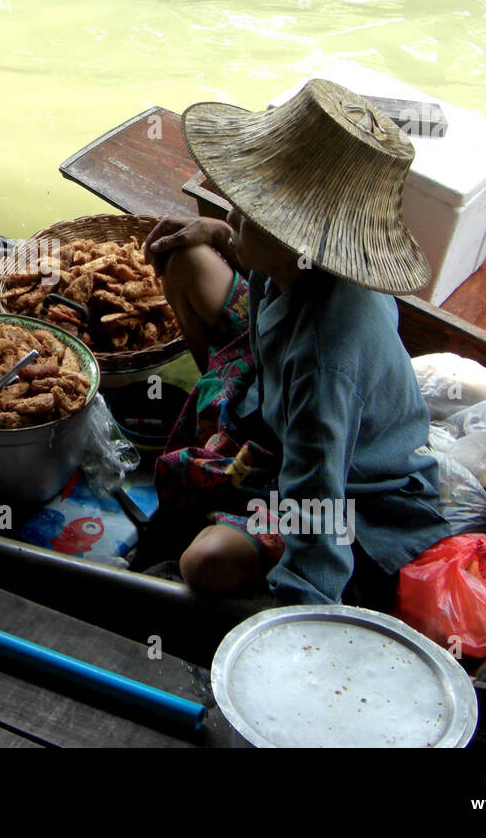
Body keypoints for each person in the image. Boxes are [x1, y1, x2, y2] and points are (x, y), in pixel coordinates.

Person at [142, 79, 455, 609]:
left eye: (251, 214)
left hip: (353, 500)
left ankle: (238, 503)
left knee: (208, 560)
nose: (234, 216)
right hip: (272, 404)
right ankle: (232, 432)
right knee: (185, 256)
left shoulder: (323, 361)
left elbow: (316, 508)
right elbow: (256, 267)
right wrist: (221, 235)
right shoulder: (299, 266)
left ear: (300, 241)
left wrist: (300, 611)